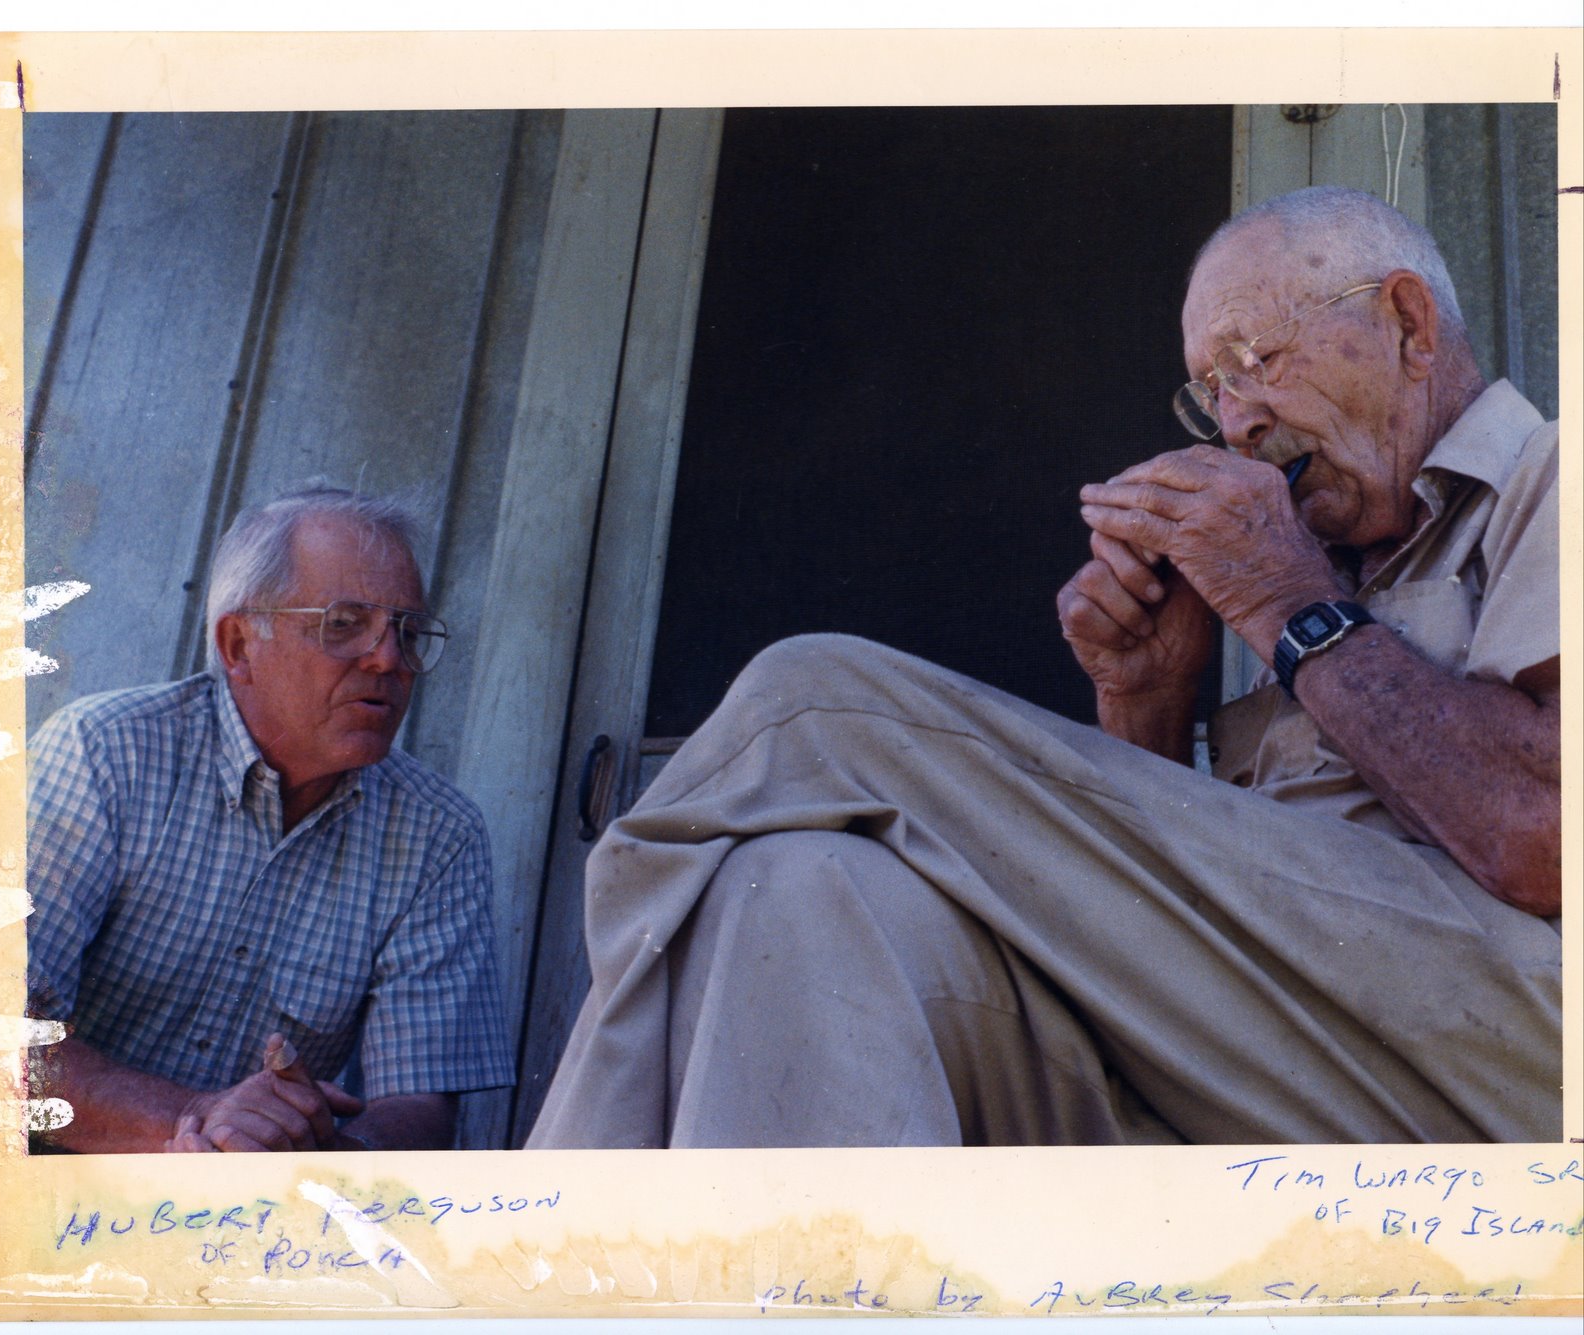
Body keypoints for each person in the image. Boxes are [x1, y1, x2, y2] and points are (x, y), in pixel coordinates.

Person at [527, 186, 1561, 1150]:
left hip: (1510, 1050)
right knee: (796, 892)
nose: (1239, 418)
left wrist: (1289, 605)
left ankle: (549, 1245)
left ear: (1406, 323)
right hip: (1295, 1054)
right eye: (1210, 391)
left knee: (813, 701)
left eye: (1257, 357)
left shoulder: (1549, 475)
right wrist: (1145, 702)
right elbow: (1220, 907)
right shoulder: (1309, 553)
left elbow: (1541, 838)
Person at [26, 487, 512, 1152]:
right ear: (238, 642)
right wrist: (195, 1123)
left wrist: (315, 1158)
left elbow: (420, 1100)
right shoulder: (104, 752)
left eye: (407, 631)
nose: (389, 659)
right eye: (344, 623)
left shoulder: (438, 836)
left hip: (257, 1224)